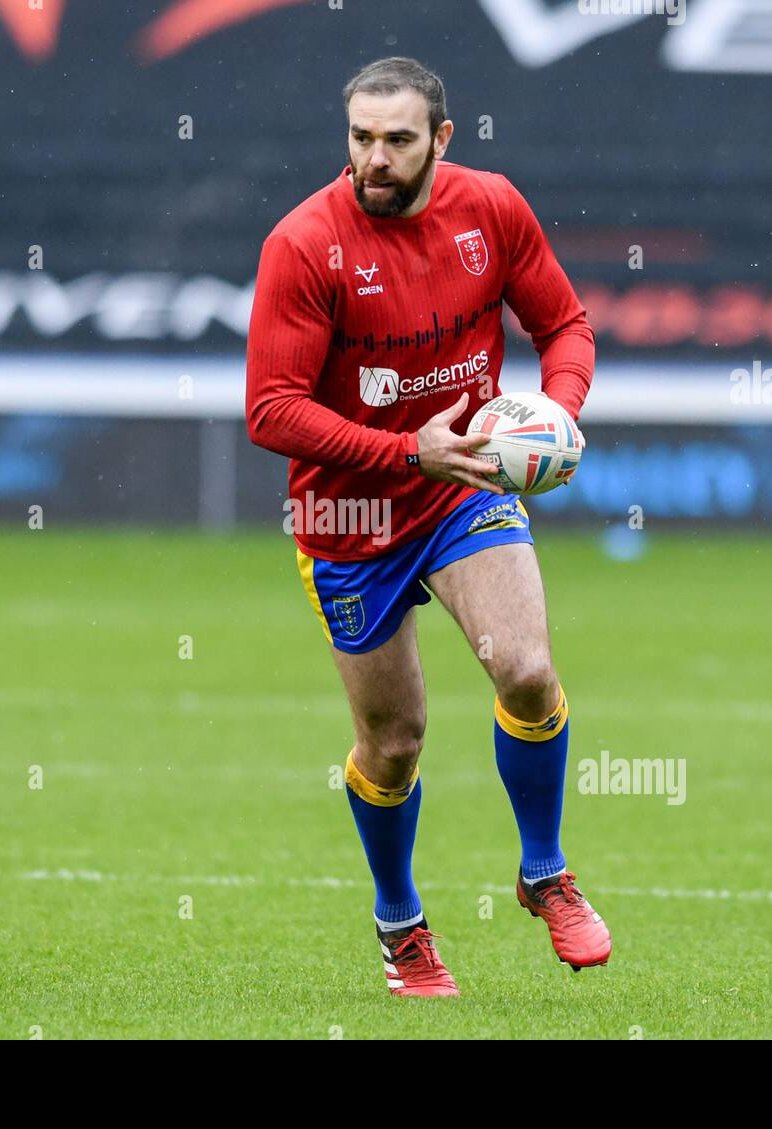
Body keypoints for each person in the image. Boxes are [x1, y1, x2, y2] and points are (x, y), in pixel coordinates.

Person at [244, 56, 609, 996]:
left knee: (527, 672)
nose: (376, 158)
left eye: (398, 140)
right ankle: (401, 919)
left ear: (442, 140)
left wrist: (555, 416)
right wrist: (410, 450)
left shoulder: (491, 209)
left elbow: (566, 326)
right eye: (361, 138)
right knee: (394, 741)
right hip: (348, 513)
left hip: (463, 492)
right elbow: (272, 410)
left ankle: (544, 873)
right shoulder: (304, 244)